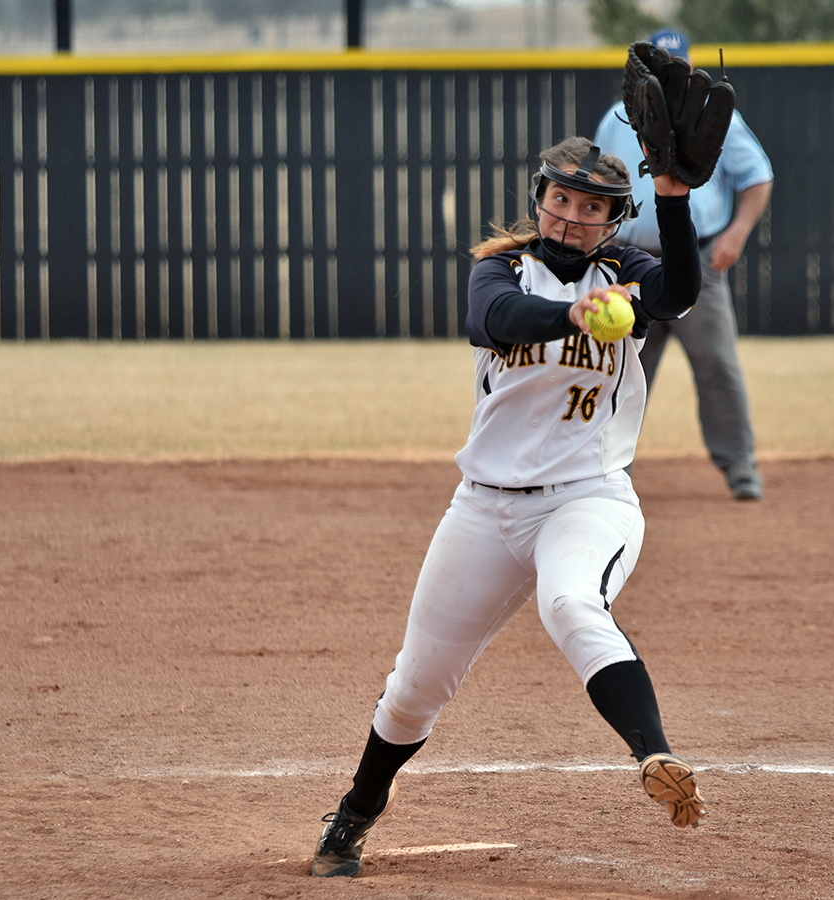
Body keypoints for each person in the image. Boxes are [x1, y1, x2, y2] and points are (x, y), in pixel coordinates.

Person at [311, 136, 707, 879]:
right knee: (415, 686)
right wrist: (577, 318)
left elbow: (680, 293)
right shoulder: (501, 267)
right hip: (483, 511)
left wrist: (674, 200)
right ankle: (356, 813)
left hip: (587, 498)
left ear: (613, 220)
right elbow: (498, 319)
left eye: (590, 207)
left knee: (571, 604)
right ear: (539, 199)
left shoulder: (630, 272)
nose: (570, 217)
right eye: (560, 198)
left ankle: (655, 753)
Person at [592, 27, 773, 501]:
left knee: (716, 363)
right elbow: (599, 182)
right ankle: (598, 469)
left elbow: (758, 175)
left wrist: (736, 233)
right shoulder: (617, 117)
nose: (669, 74)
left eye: (676, 65)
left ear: (689, 68)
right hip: (630, 263)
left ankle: (740, 466)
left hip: (697, 260)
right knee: (621, 370)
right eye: (660, 65)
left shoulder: (712, 116)